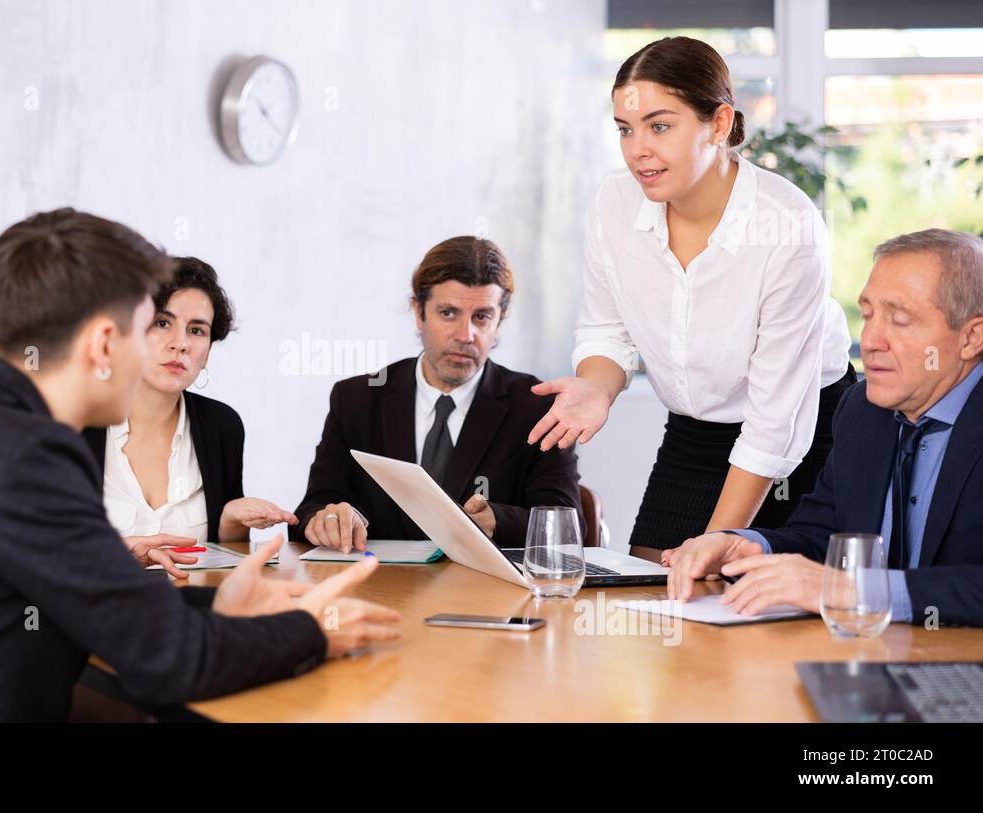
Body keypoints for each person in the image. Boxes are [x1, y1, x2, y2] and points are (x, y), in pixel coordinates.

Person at [0, 208, 400, 722]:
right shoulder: (27, 455)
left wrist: (218, 604)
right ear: (100, 345)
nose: (164, 349)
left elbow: (93, 598)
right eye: (149, 328)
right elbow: (170, 662)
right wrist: (313, 634)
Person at [526, 36, 854, 556]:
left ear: (719, 124)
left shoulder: (786, 225)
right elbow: (606, 332)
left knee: (750, 601)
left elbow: (773, 425)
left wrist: (713, 544)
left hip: (804, 432)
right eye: (625, 130)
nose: (638, 150)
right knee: (653, 592)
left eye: (660, 126)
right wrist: (597, 386)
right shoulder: (614, 202)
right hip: (695, 430)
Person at [665, 229, 983, 628]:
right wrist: (749, 546)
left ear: (972, 337)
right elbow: (821, 537)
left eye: (900, 320)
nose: (870, 340)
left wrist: (859, 592)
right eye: (867, 315)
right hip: (867, 659)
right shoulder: (862, 411)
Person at [295, 235, 583, 553]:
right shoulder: (357, 399)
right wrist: (327, 519)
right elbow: (314, 506)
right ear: (418, 312)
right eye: (448, 313)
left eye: (482, 317)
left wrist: (497, 520)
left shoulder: (537, 407)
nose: (465, 335)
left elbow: (568, 531)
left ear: (500, 320)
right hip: (379, 590)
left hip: (487, 597)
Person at [82, 257, 296, 576]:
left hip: (192, 616)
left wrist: (230, 523)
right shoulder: (74, 423)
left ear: (208, 351)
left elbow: (220, 566)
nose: (180, 344)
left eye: (197, 330)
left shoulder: (222, 425)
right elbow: (35, 549)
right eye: (162, 323)